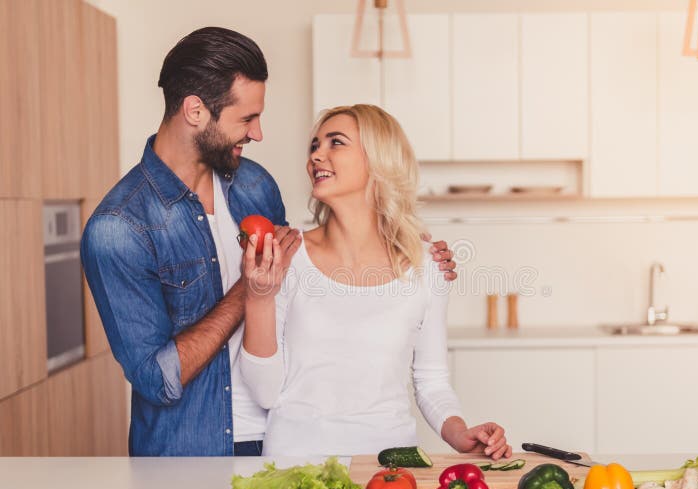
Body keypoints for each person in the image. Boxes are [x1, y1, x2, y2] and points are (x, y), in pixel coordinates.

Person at [80, 28, 457, 457]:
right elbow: (157, 380)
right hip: (194, 450)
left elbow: (301, 289)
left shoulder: (254, 185)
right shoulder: (119, 228)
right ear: (195, 111)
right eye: (247, 119)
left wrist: (405, 250)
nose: (258, 134)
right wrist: (249, 289)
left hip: (282, 437)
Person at [239, 104, 512, 459]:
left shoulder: (427, 265)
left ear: (378, 159)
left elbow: (431, 381)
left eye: (336, 142)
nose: (316, 156)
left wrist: (460, 433)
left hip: (388, 469)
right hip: (294, 466)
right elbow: (265, 393)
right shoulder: (288, 255)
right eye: (314, 146)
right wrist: (259, 297)